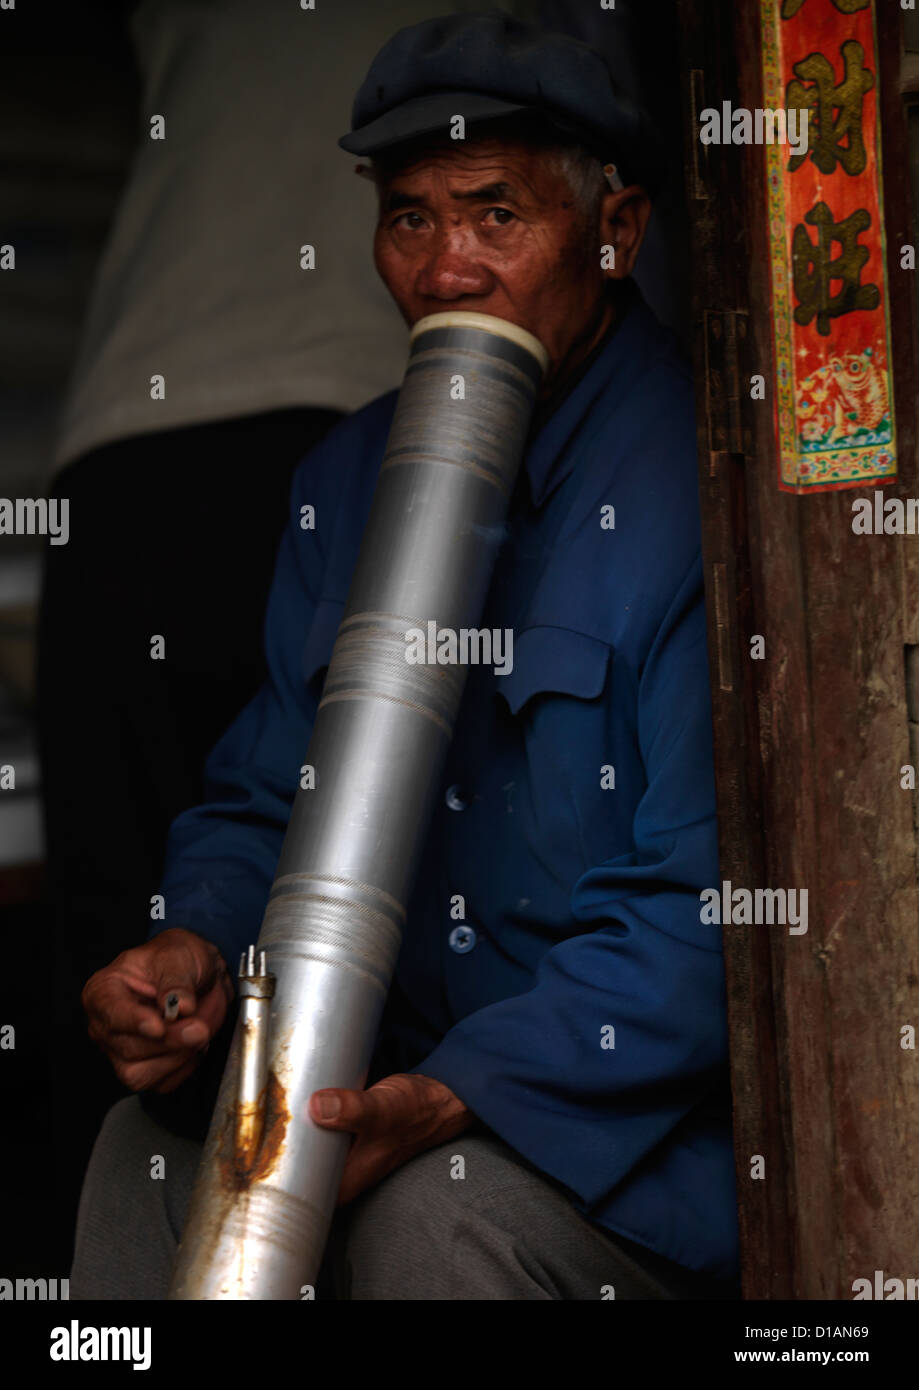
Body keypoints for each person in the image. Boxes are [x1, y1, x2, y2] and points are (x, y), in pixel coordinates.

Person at [71, 13, 740, 1300]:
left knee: (429, 1225)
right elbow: (272, 793)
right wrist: (193, 945)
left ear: (617, 232)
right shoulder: (343, 477)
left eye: (497, 214)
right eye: (411, 218)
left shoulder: (706, 488)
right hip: (370, 1080)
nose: (446, 271)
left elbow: (705, 910)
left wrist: (450, 1095)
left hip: (624, 1138)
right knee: (139, 1161)